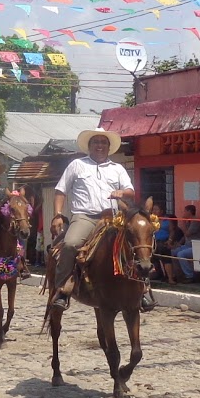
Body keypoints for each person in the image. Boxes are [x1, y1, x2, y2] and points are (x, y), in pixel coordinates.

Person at [51, 129, 135, 310]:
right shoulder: (76, 165)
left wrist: (122, 192)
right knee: (71, 244)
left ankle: (142, 289)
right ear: (89, 146)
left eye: (103, 142)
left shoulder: (117, 168)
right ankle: (62, 290)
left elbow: (131, 191)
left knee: (135, 243)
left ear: (109, 147)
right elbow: (60, 191)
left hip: (112, 217)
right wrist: (58, 214)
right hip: (85, 216)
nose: (99, 145)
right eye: (96, 142)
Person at [172, 204, 200, 282]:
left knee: (181, 254)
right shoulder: (189, 222)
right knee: (173, 252)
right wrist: (180, 243)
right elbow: (185, 236)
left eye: (185, 211)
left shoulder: (196, 221)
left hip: (195, 247)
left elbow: (187, 233)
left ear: (189, 212)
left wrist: (182, 223)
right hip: (187, 245)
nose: (183, 212)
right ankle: (178, 274)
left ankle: (190, 275)